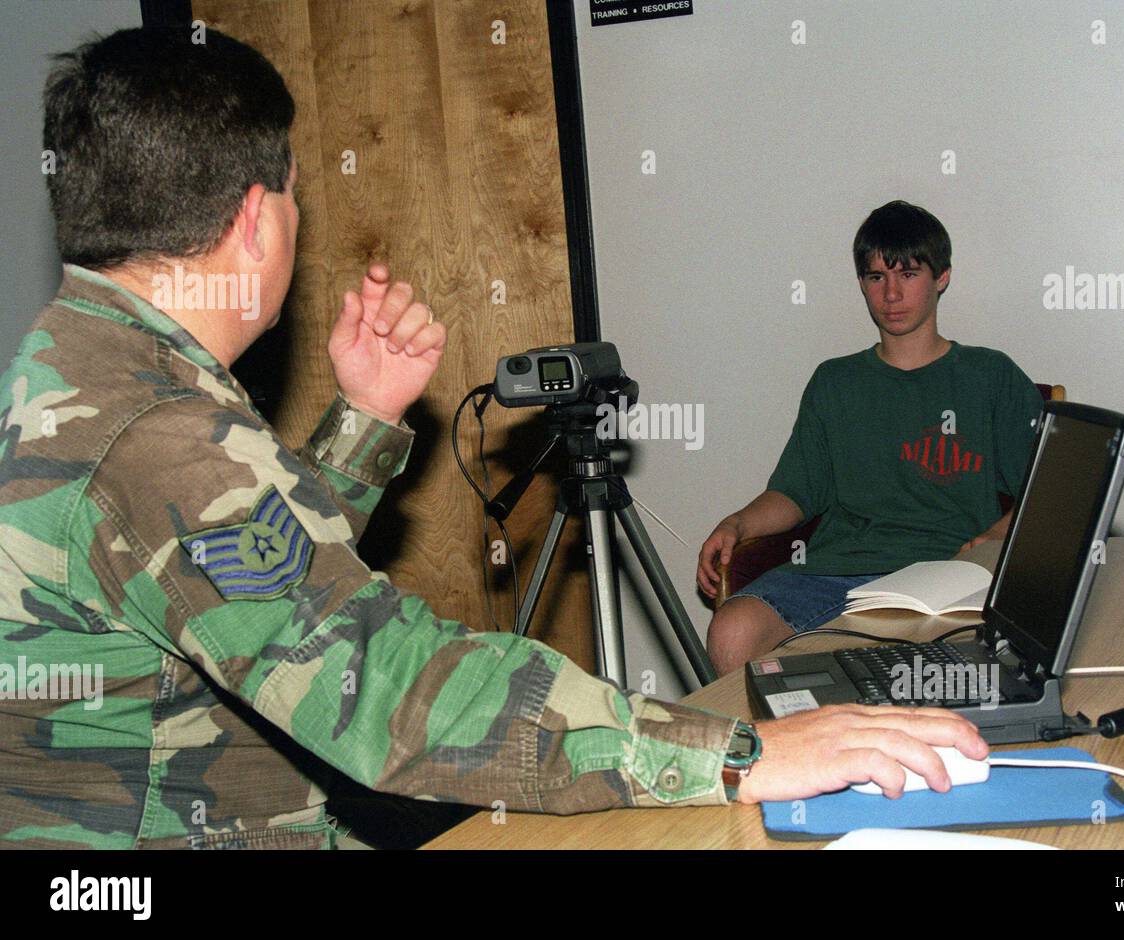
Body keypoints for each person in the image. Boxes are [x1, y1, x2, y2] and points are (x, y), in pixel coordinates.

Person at [0, 28, 986, 849]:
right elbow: (384, 685)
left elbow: (233, 582)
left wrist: (365, 422)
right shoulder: (157, 428)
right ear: (258, 219)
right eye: (298, 195)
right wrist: (742, 752)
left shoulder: (83, 374)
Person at [699, 201, 1045, 675]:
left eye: (908, 273)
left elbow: (1044, 492)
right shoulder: (834, 381)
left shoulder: (990, 375)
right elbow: (796, 492)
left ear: (941, 277)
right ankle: (769, 749)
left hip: (944, 577)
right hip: (837, 573)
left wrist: (991, 536)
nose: (892, 293)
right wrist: (737, 524)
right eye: (876, 277)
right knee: (731, 629)